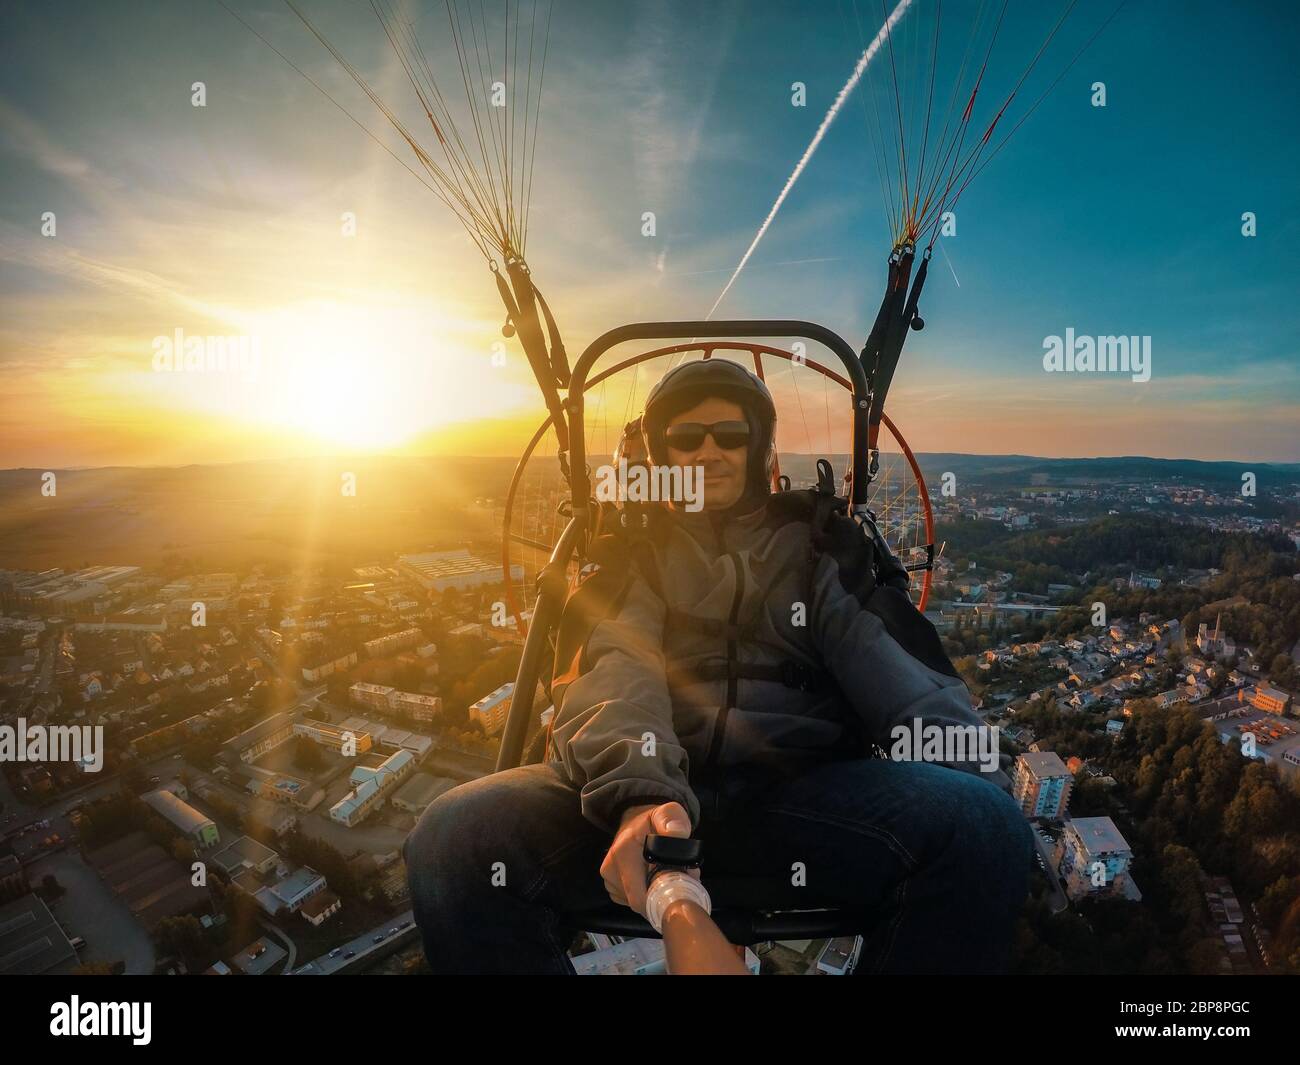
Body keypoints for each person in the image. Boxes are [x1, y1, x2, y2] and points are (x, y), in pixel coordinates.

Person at [406, 358, 1034, 975]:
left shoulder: (817, 553)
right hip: (636, 813)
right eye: (686, 438)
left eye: (730, 436)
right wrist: (643, 794)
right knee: (457, 838)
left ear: (759, 449)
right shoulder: (633, 556)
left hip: (799, 802)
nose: (708, 453)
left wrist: (973, 774)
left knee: (982, 828)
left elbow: (901, 679)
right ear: (662, 457)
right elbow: (614, 673)